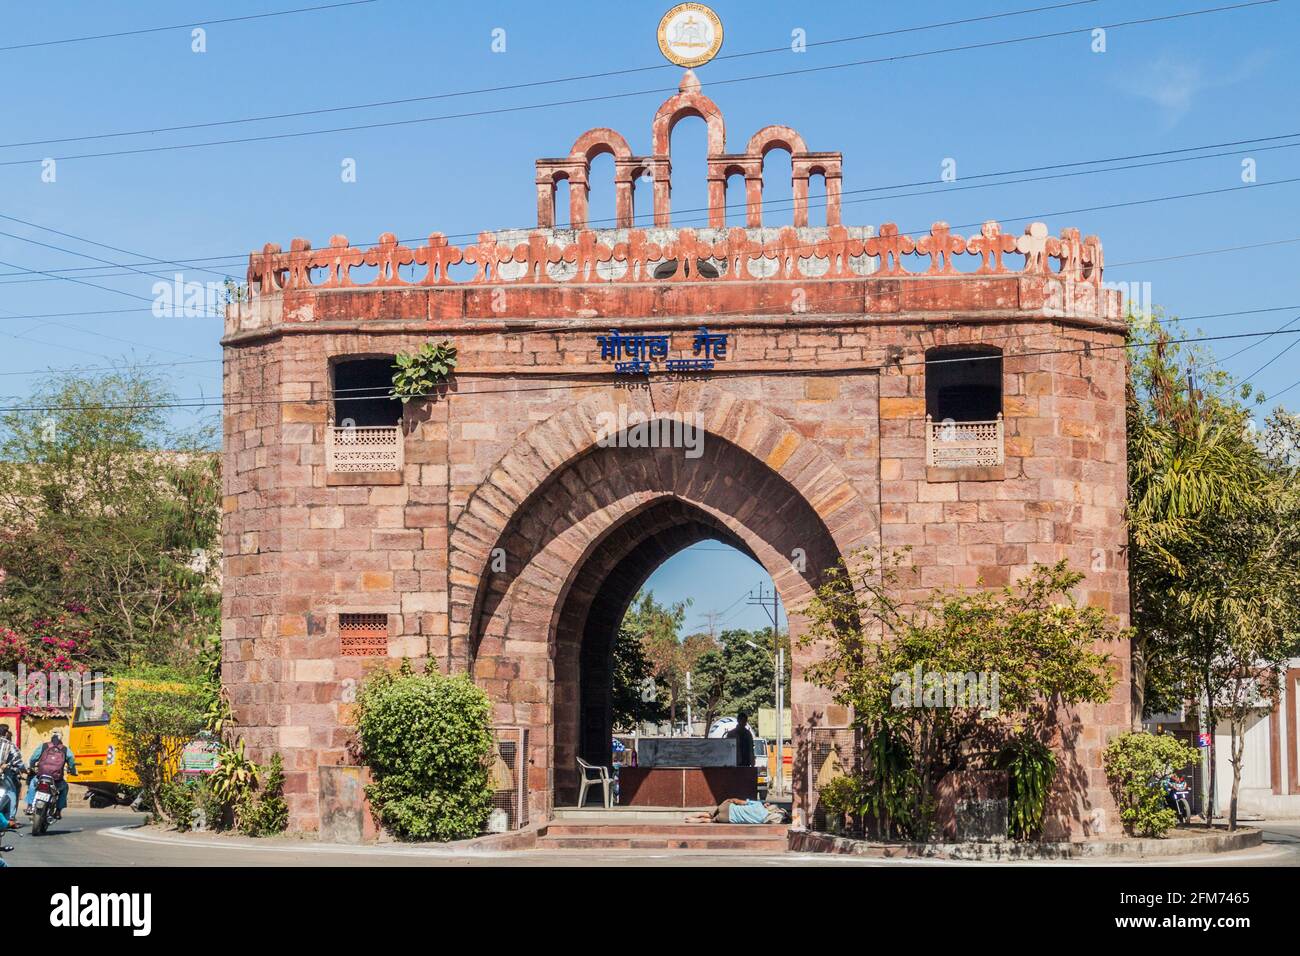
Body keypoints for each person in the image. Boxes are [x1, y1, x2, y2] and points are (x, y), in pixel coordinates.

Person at [26, 732, 76, 819]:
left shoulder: (44, 746)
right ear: (61, 739)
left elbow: (33, 758)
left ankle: (30, 806)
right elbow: (71, 760)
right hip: (56, 780)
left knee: (32, 784)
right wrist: (72, 771)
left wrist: (32, 766)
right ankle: (58, 811)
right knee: (64, 788)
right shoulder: (65, 749)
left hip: (41, 776)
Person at [687, 798, 787, 825]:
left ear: (769, 807)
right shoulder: (761, 821)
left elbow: (738, 801)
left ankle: (702, 814)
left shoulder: (758, 805)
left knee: (710, 814)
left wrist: (730, 800)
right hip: (728, 818)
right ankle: (699, 820)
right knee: (711, 820)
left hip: (728, 807)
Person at [0, 726, 22, 827]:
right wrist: (8, 765)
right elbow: (18, 758)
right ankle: (11, 817)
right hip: (3, 773)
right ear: (5, 733)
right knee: (11, 792)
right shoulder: (9, 744)